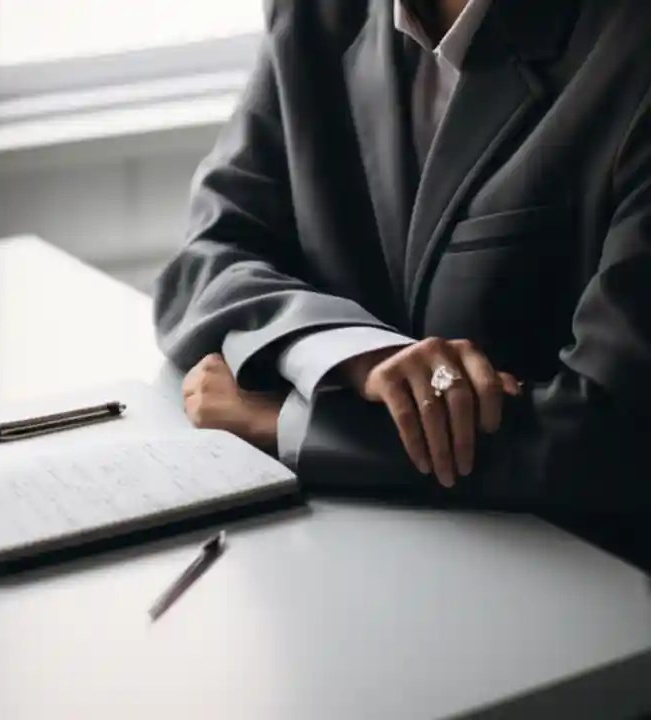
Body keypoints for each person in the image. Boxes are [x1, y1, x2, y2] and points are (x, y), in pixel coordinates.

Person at [155, 0, 651, 568]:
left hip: (582, 582)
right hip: (344, 563)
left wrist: (294, 422)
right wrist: (354, 354)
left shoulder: (630, 49)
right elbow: (207, 260)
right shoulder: (312, 14)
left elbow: (617, 433)